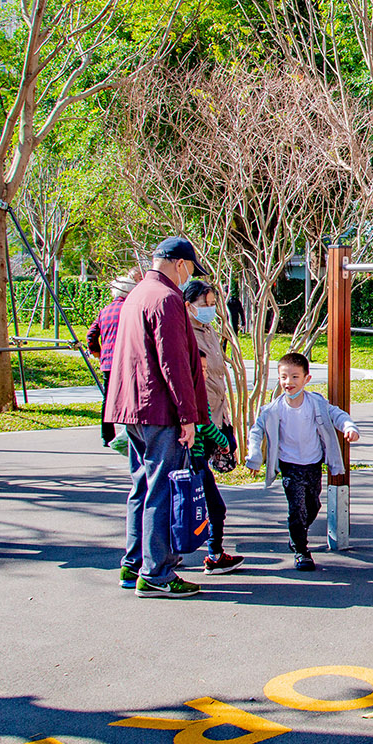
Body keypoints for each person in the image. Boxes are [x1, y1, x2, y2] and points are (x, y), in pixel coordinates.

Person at [104, 237, 209, 598]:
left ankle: (134, 563)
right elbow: (174, 362)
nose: (189, 277)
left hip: (132, 407)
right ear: (180, 264)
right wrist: (188, 415)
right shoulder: (167, 299)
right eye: (190, 269)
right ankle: (157, 573)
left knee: (143, 485)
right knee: (162, 488)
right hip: (161, 408)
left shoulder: (137, 293)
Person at [244, 352, 359, 572]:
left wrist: (349, 427)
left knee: (312, 506)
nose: (289, 382)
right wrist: (254, 456)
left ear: (306, 379)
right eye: (284, 377)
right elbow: (256, 432)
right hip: (289, 466)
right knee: (296, 508)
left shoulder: (316, 403)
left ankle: (297, 534)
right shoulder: (273, 410)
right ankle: (301, 550)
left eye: (295, 377)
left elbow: (337, 415)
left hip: (313, 464)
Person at [183, 280, 244, 574]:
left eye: (211, 304)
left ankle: (212, 552)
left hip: (215, 416)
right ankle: (209, 553)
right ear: (188, 304)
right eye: (203, 304)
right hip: (198, 424)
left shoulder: (207, 330)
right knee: (208, 502)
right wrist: (218, 435)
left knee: (205, 497)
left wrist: (225, 424)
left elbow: (216, 377)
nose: (209, 309)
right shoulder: (183, 334)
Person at [88, 270, 140, 447]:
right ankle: (129, 436)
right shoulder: (131, 309)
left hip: (108, 362)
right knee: (129, 397)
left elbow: (91, 334)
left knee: (108, 399)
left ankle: (106, 436)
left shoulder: (105, 311)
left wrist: (98, 353)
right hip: (127, 361)